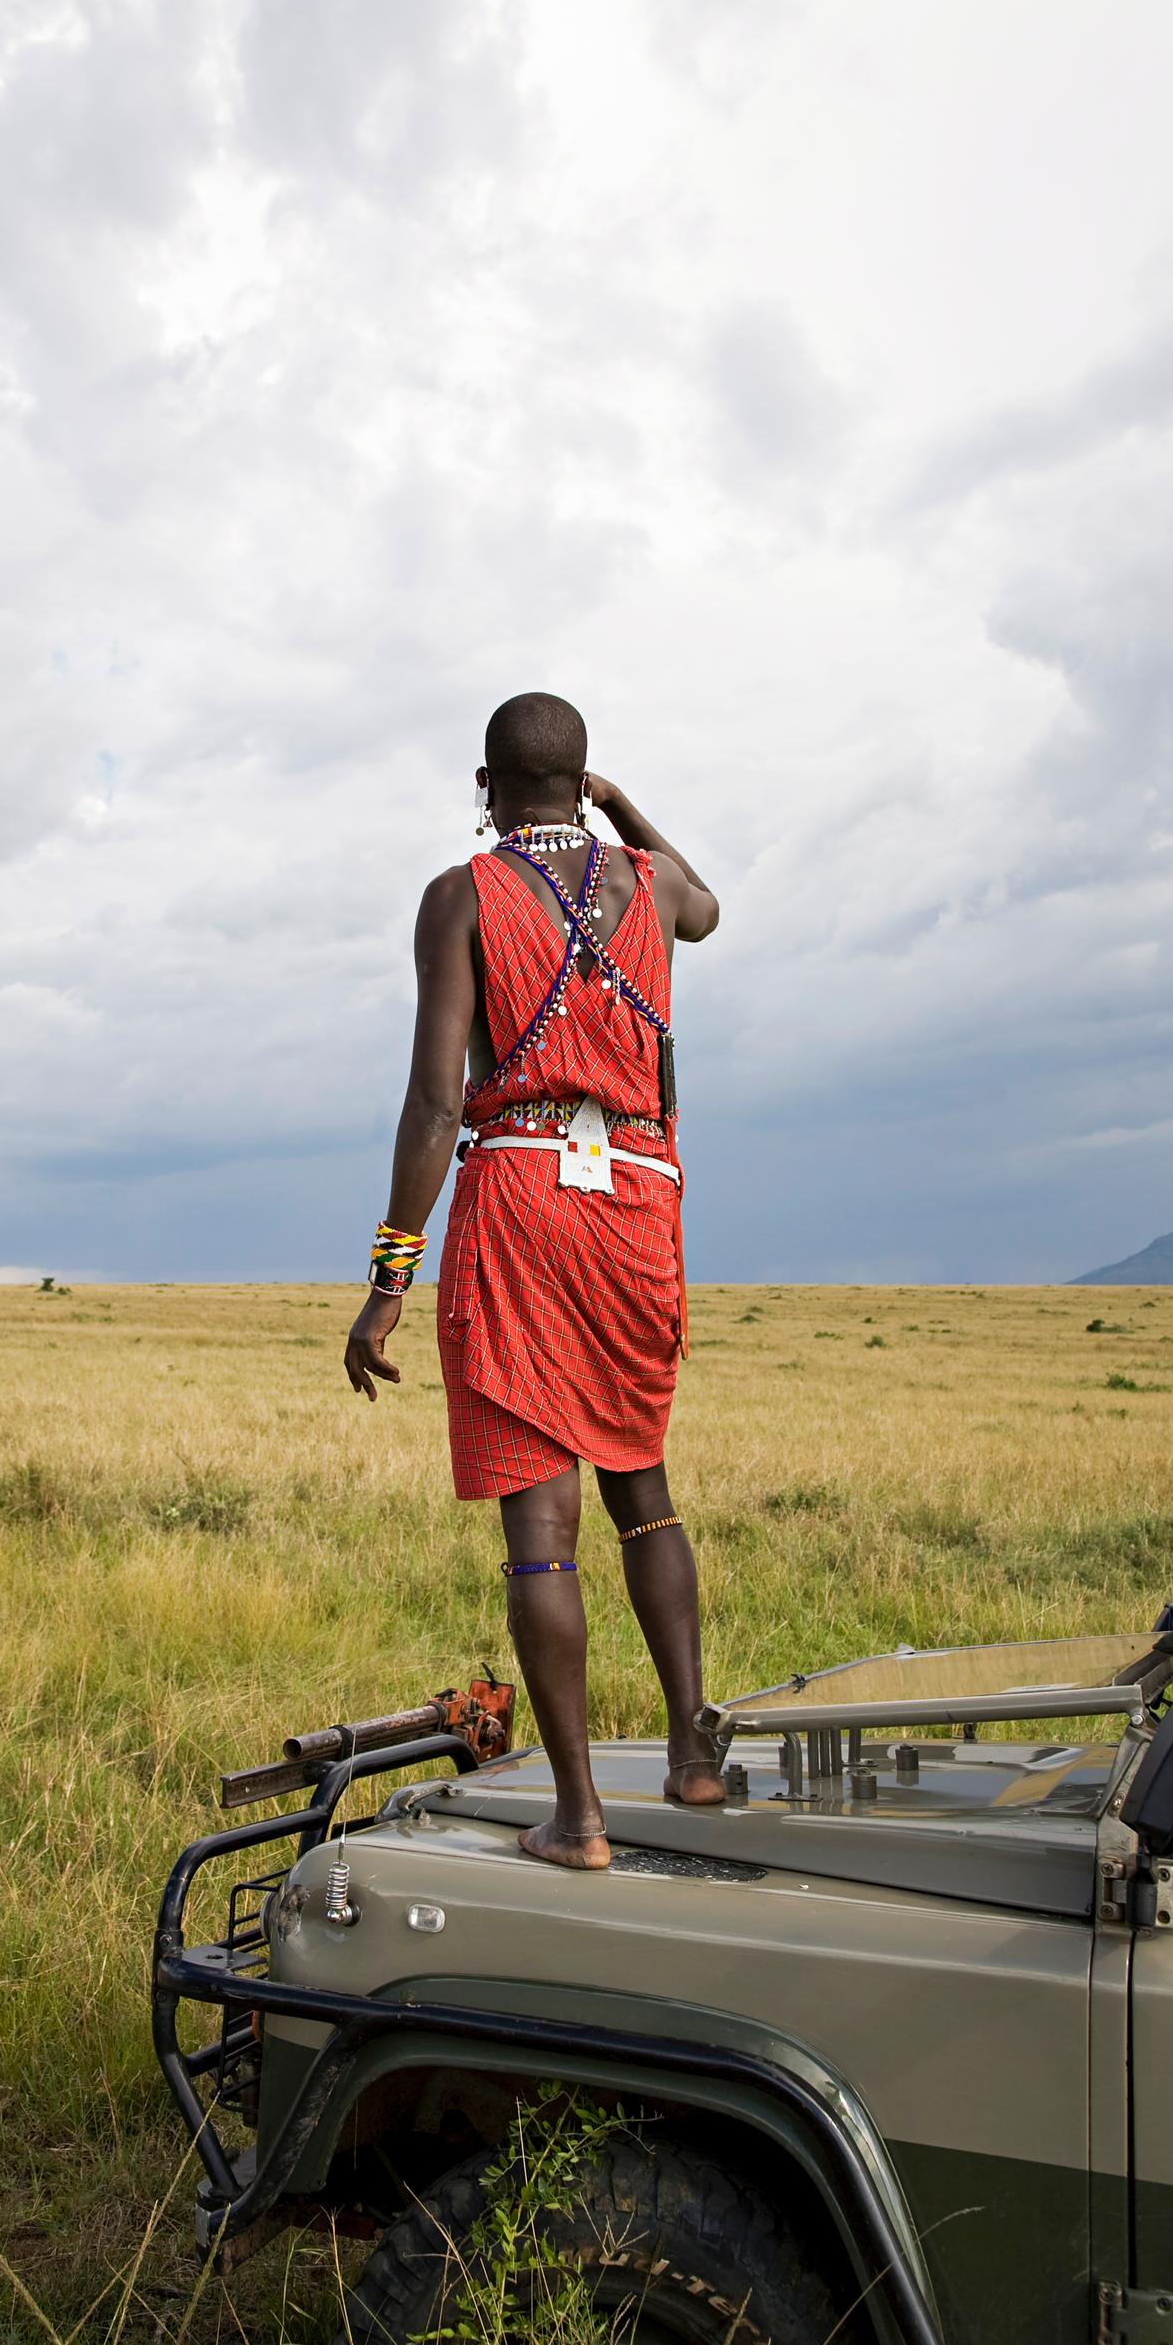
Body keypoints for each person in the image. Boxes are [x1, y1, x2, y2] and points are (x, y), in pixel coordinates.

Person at [343, 691, 722, 1869]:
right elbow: (706, 909)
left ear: (483, 785)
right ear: (586, 779)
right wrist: (623, 810)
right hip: (637, 1201)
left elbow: (435, 1102)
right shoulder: (647, 883)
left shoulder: (459, 897)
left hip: (519, 1195)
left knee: (542, 1529)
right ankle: (693, 1758)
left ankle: (581, 1820)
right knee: (642, 1486)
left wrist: (388, 1277)